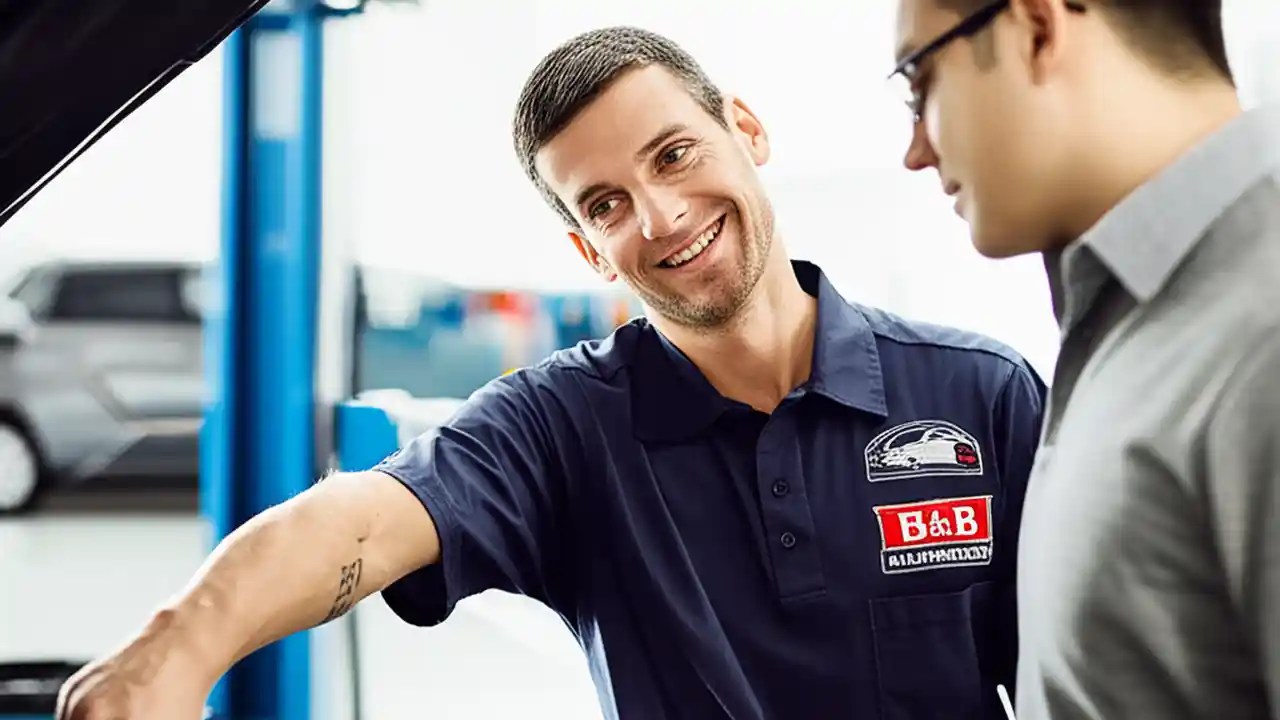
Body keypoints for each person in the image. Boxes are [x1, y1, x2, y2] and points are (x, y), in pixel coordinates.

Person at [58, 26, 1045, 720]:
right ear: (585, 251)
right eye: (606, 204)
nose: (658, 217)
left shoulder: (976, 395)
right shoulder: (562, 429)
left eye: (674, 154)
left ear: (744, 129)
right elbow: (358, 518)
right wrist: (174, 647)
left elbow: (1071, 676)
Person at [891, 0, 1280, 718]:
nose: (917, 147)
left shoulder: (1259, 335)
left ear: (1037, 26)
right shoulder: (1136, 324)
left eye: (921, 85)